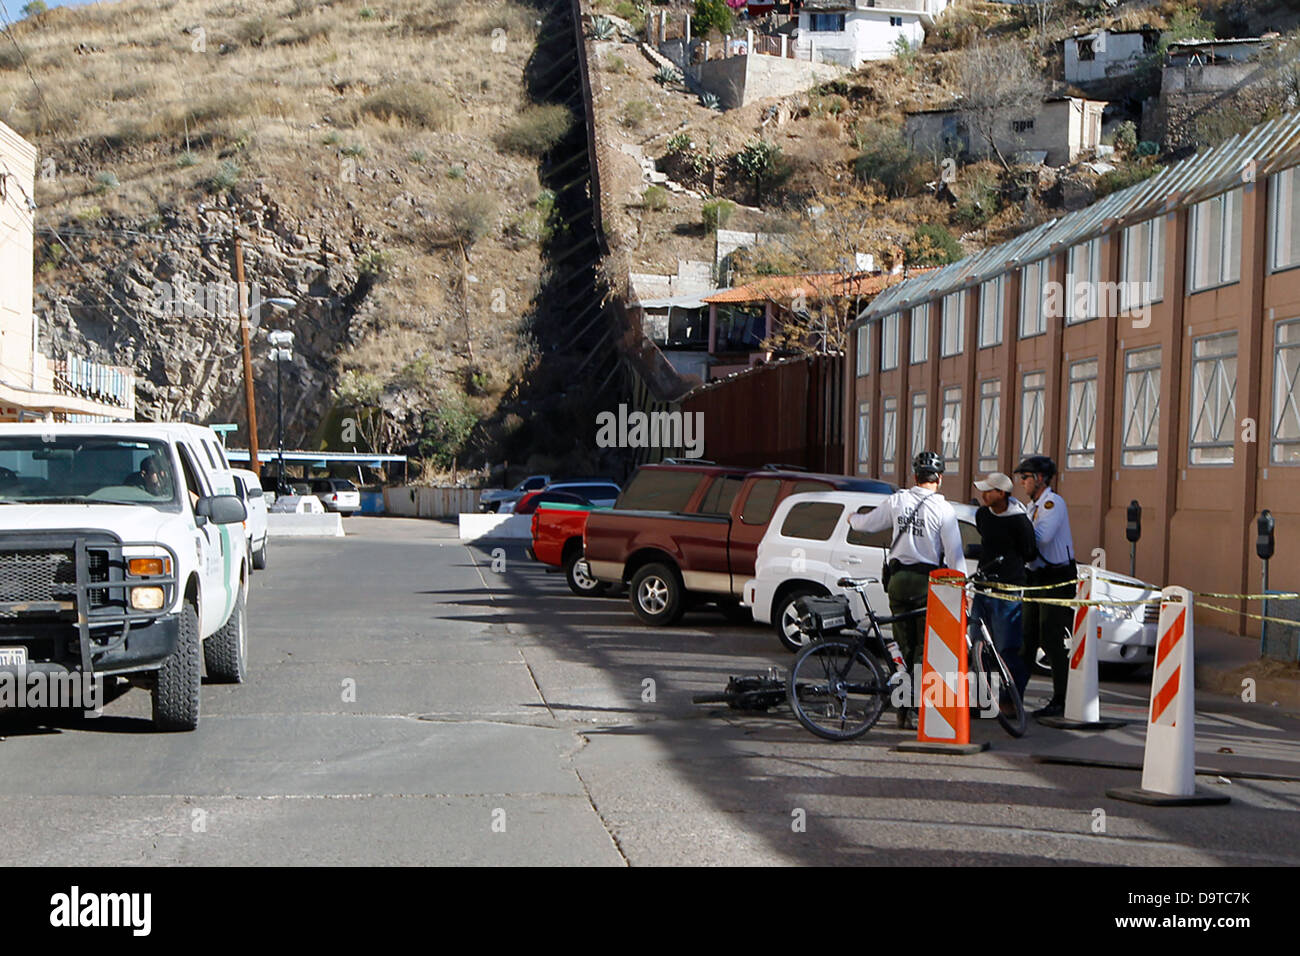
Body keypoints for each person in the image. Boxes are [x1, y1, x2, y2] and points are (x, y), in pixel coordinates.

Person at [848, 450, 965, 728]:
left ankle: (903, 708)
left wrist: (852, 518)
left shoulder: (898, 500)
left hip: (898, 582)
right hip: (926, 584)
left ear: (914, 476)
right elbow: (955, 556)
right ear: (939, 479)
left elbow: (867, 524)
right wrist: (963, 591)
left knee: (902, 645)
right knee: (924, 649)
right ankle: (916, 710)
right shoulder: (944, 509)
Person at [1013, 455, 1076, 718]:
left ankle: (1062, 699)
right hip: (1037, 578)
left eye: (1026, 477)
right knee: (1026, 639)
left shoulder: (1052, 503)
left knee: (1051, 640)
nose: (1023, 483)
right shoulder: (1031, 507)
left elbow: (1041, 537)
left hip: (1056, 578)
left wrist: (1015, 533)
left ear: (1039, 478)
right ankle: (1014, 697)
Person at [970, 472, 1036, 702]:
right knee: (978, 645)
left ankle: (1011, 699)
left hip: (1007, 589)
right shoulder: (982, 515)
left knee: (1007, 647)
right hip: (982, 587)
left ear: (1002, 493)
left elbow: (1029, 551)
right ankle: (981, 699)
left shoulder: (1019, 520)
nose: (984, 495)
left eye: (989, 491)